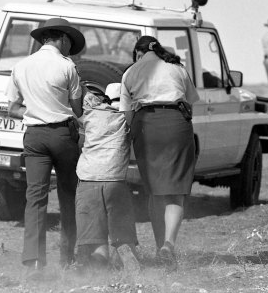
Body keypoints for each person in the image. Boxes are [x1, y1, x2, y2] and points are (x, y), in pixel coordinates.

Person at [6, 17, 86, 280]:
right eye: (68, 42)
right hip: (62, 134)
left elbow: (12, 107)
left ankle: (34, 261)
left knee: (36, 198)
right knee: (67, 195)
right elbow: (76, 110)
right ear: (61, 38)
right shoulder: (67, 66)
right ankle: (67, 256)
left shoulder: (21, 66)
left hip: (34, 137)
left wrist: (35, 111)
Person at [119, 36, 199, 270]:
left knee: (154, 190)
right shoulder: (177, 68)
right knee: (175, 189)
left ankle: (158, 247)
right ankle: (168, 246)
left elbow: (126, 114)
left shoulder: (130, 73)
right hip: (176, 123)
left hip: (146, 125)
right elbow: (192, 101)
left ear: (138, 53)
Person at [75, 83, 140, 272]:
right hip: (116, 182)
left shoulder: (89, 114)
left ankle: (98, 265)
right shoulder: (127, 118)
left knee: (95, 242)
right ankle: (126, 254)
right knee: (123, 237)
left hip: (89, 181)